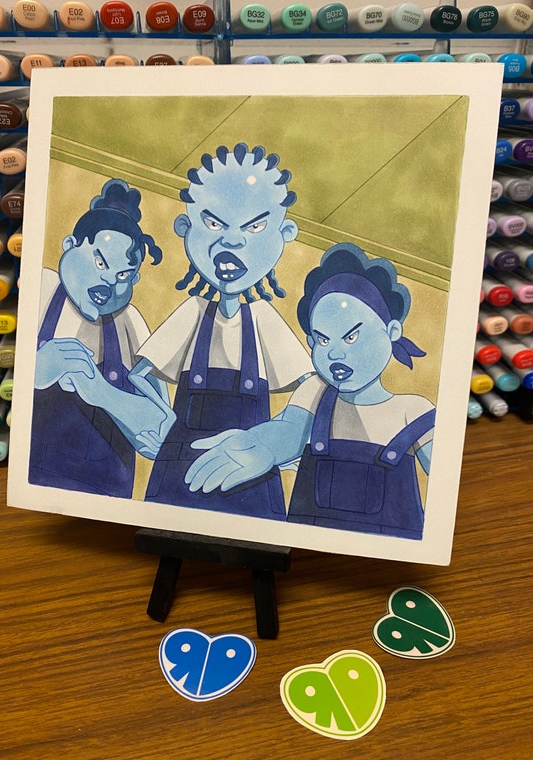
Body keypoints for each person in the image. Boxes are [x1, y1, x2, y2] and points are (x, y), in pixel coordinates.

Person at [185, 242, 435, 539]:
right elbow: (290, 430)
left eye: (351, 337)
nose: (335, 354)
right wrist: (261, 444)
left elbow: (444, 485)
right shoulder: (316, 392)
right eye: (323, 340)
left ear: (392, 331)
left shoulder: (413, 411)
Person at [130, 143, 313, 519]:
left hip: (250, 473)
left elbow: (312, 385)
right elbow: (140, 374)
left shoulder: (263, 318)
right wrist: (165, 419)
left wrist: (280, 439)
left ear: (284, 233)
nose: (232, 240)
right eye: (213, 224)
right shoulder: (193, 312)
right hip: (179, 467)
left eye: (255, 226)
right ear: (185, 228)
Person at [30, 178, 174, 498]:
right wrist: (35, 369)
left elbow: (160, 429)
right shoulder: (41, 288)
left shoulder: (131, 324)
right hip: (36, 482)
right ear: (70, 245)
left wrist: (101, 393)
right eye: (99, 262)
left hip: (107, 492)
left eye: (123, 275)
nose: (108, 281)